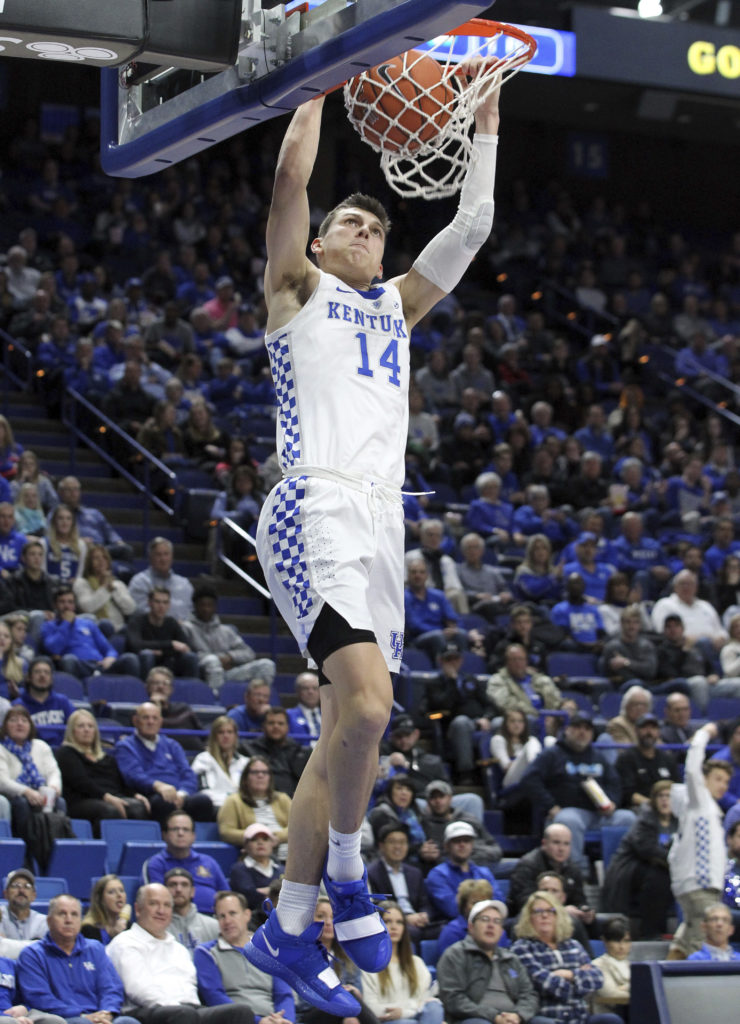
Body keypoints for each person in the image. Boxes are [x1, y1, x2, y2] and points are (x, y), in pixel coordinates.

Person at [243, 79, 502, 1015]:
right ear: (319, 244)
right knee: (367, 703)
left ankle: (288, 926)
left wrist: (485, 128)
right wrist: (314, 87)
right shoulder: (297, 290)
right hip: (312, 503)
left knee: (348, 735)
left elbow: (472, 227)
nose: (363, 230)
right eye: (348, 222)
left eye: (375, 228)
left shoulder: (397, 306)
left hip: (382, 523)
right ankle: (349, 874)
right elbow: (288, 181)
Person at [106, 883, 250, 1024]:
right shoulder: (125, 943)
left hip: (188, 1010)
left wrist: (194, 1010)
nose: (161, 911)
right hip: (145, 1010)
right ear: (138, 909)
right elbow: (139, 990)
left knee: (240, 1012)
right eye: (154, 904)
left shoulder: (178, 948)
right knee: (183, 1014)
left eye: (167, 905)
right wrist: (181, 1008)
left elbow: (190, 988)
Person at [520, 712, 635, 871]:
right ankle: (576, 873)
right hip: (570, 811)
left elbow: (614, 783)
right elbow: (529, 779)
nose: (582, 732)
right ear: (567, 730)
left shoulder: (597, 756)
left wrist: (612, 802)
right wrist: (550, 806)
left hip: (599, 814)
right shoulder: (553, 754)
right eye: (578, 727)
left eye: (587, 729)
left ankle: (619, 871)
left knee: (628, 818)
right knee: (568, 820)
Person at [15, 894, 140, 1024]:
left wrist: (106, 1013)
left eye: (74, 914)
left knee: (127, 1022)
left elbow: (111, 988)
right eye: (62, 914)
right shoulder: (32, 955)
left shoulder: (95, 949)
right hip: (63, 1019)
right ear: (49, 920)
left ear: (80, 920)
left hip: (100, 1017)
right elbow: (39, 999)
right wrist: (82, 1016)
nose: (69, 920)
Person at [667, 723, 733, 958]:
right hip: (699, 885)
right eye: (718, 779)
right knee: (702, 941)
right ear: (704, 780)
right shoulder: (699, 800)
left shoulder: (710, 810)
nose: (722, 786)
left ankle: (668, 970)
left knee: (685, 940)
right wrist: (704, 734)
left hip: (702, 885)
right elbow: (692, 770)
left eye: (726, 782)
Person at [510, 891, 621, 1024]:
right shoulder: (522, 948)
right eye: (538, 911)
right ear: (529, 918)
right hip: (547, 1017)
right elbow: (546, 984)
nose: (545, 915)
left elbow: (597, 978)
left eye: (550, 911)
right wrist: (579, 981)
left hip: (580, 1018)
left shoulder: (573, 945)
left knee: (610, 1020)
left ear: (558, 916)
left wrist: (569, 974)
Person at [193, 891, 294, 1018]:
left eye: (232, 913)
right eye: (221, 916)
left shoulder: (269, 950)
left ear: (247, 915)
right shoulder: (206, 952)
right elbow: (214, 997)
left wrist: (284, 1020)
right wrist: (258, 1021)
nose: (227, 921)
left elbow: (284, 995)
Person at [437, 898, 538, 1024]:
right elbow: (453, 999)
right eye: (485, 919)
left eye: (497, 921)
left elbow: (529, 995)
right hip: (474, 1019)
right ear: (471, 927)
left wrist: (518, 1015)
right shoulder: (455, 955)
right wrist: (494, 1017)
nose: (491, 925)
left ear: (501, 931)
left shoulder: (511, 959)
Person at [600, 780, 678, 939]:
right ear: (654, 800)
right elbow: (646, 849)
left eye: (668, 796)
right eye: (660, 796)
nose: (664, 800)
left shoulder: (679, 821)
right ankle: (650, 932)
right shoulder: (645, 819)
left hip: (664, 868)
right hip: (631, 869)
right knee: (658, 877)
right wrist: (677, 860)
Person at [114, 703, 215, 824]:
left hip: (178, 794)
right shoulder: (125, 746)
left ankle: (195, 836)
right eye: (145, 717)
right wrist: (158, 786)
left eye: (155, 718)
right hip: (150, 794)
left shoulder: (172, 745)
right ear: (135, 721)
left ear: (161, 721)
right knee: (163, 803)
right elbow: (133, 776)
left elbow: (188, 774)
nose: (151, 722)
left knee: (203, 801)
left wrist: (182, 794)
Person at [55, 709, 150, 831]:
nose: (86, 730)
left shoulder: (107, 758)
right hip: (82, 800)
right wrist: (107, 798)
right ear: (72, 731)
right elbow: (82, 783)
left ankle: (136, 843)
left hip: (111, 797)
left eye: (90, 726)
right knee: (110, 811)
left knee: (138, 807)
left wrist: (135, 795)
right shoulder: (66, 753)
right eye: (81, 726)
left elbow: (120, 784)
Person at [415, 642, 496, 785]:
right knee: (461, 722)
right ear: (440, 661)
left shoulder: (470, 680)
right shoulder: (435, 683)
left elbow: (489, 704)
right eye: (448, 659)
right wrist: (452, 682)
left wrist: (487, 718)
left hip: (479, 722)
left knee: (500, 722)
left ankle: (497, 773)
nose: (452, 663)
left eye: (455, 658)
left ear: (461, 660)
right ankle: (466, 773)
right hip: (451, 726)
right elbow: (442, 705)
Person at [359, 902, 443, 1024]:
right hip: (388, 1021)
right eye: (387, 921)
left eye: (399, 922)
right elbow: (371, 1008)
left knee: (435, 1009)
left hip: (418, 1018)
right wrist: (412, 1009)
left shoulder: (417, 963)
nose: (394, 927)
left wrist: (404, 1012)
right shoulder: (368, 966)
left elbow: (427, 1001)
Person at [184, 583, 276, 695]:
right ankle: (216, 700)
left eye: (210, 605)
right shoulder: (186, 628)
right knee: (212, 661)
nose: (206, 609)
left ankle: (261, 698)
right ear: (195, 605)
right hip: (203, 673)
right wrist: (218, 659)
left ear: (215, 607)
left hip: (228, 673)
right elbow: (186, 654)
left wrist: (230, 657)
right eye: (202, 605)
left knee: (267, 665)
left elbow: (249, 653)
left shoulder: (226, 630)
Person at [39, 588, 139, 683]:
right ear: (55, 605)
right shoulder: (49, 626)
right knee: (68, 660)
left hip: (100, 665)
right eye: (62, 602)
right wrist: (66, 623)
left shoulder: (88, 624)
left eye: (70, 602)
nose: (66, 606)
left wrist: (110, 658)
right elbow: (54, 649)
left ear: (74, 605)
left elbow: (109, 649)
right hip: (79, 666)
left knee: (130, 659)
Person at [0, 705, 64, 849]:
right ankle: (26, 850)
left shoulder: (41, 746)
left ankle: (57, 849)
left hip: (40, 793)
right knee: (22, 803)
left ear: (30, 725)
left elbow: (53, 772)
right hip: (13, 795)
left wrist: (53, 787)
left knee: (60, 802)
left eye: (24, 720)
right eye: (13, 720)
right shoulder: (1, 748)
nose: (19, 724)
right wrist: (26, 791)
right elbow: (2, 781)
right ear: (5, 726)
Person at [142, 812, 227, 914]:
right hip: (172, 918)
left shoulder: (209, 862)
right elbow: (155, 899)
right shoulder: (155, 863)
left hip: (212, 919)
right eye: (175, 829)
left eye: (186, 829)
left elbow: (226, 895)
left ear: (193, 836)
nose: (180, 833)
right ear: (164, 835)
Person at [367, 824, 434, 946]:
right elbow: (376, 905)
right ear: (381, 846)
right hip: (392, 922)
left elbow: (425, 902)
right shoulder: (372, 873)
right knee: (412, 933)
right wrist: (404, 918)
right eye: (392, 842)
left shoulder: (415, 872)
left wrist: (424, 915)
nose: (398, 846)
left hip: (416, 920)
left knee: (443, 929)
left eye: (402, 842)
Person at [425, 822, 503, 924]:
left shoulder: (484, 873)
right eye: (457, 841)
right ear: (446, 846)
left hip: (487, 922)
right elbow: (452, 909)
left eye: (466, 841)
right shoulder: (438, 875)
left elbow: (498, 902)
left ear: (472, 845)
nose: (462, 845)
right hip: (454, 926)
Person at [507, 824, 587, 920]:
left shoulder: (573, 868)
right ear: (544, 843)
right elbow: (525, 902)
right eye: (556, 842)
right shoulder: (527, 865)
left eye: (566, 844)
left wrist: (584, 910)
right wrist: (560, 910)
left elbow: (579, 900)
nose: (561, 849)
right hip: (529, 918)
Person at [217, 759, 291, 861]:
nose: (260, 776)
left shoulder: (283, 799)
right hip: (257, 858)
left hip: (291, 857)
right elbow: (226, 832)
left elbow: (298, 827)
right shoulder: (233, 801)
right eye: (255, 772)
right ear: (245, 778)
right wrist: (258, 836)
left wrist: (277, 837)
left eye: (265, 772)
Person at [420, 780, 501, 869]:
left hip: (484, 864)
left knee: (512, 866)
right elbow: (438, 857)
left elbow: (495, 848)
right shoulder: (425, 825)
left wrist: (477, 857)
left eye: (441, 796)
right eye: (433, 797)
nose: (438, 801)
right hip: (454, 869)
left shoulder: (469, 818)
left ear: (450, 798)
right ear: (427, 802)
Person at [125, 587, 199, 679]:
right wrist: (170, 644)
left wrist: (163, 652)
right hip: (144, 663)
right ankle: (144, 686)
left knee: (191, 657)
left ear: (169, 605)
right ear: (149, 603)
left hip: (168, 662)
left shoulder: (171, 622)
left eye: (165, 602)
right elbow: (135, 645)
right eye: (157, 602)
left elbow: (186, 646)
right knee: (147, 654)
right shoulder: (137, 621)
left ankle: (192, 687)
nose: (161, 606)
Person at [615, 712, 680, 809]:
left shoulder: (668, 758)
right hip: (638, 807)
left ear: (658, 732)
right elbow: (627, 793)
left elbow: (676, 787)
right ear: (636, 731)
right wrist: (653, 805)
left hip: (666, 806)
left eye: (653, 728)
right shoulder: (626, 758)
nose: (649, 732)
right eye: (644, 728)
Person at [244, 706, 310, 798]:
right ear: (263, 726)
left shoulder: (299, 752)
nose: (276, 726)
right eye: (271, 723)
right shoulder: (249, 749)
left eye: (280, 723)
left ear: (288, 727)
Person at [486, 644, 562, 718]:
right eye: (513, 659)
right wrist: (539, 716)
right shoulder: (498, 680)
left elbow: (556, 700)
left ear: (526, 661)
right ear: (506, 662)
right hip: (522, 719)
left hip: (548, 717)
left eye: (521, 659)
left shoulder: (540, 678)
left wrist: (562, 706)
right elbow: (507, 705)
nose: (518, 663)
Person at [72, 545, 136, 633]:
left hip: (118, 629)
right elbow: (87, 607)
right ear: (89, 562)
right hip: (93, 630)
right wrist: (105, 588)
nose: (101, 560)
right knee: (105, 625)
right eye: (96, 558)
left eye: (104, 557)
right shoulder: (82, 583)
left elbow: (130, 609)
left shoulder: (117, 584)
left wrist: (113, 589)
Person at [128, 538, 194, 621]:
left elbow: (192, 613)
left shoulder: (185, 584)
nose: (163, 559)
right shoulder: (139, 582)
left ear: (172, 556)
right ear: (150, 557)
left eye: (166, 554)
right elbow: (138, 613)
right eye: (158, 554)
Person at [191, 718, 248, 810]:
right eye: (221, 732)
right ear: (214, 736)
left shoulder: (245, 762)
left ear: (235, 736)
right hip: (215, 807)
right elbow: (204, 792)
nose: (226, 736)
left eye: (230, 732)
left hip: (241, 807)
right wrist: (230, 801)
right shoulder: (203, 759)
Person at [228, 824, 285, 912]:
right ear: (245, 846)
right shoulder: (239, 869)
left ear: (272, 844)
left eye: (265, 839)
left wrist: (265, 891)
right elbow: (249, 896)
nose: (260, 843)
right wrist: (276, 891)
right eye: (254, 839)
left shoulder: (282, 869)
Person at [163, 868, 219, 954]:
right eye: (173, 885)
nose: (178, 889)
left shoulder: (214, 926)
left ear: (192, 891)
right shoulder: (159, 927)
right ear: (165, 890)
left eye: (184, 885)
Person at [590, 917, 631, 1017]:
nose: (622, 947)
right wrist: (632, 988)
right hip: (608, 1017)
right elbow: (611, 995)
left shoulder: (632, 965)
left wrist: (624, 988)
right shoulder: (597, 966)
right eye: (616, 941)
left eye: (626, 941)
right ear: (605, 941)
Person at [81, 875, 132, 946]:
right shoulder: (89, 929)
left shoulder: (127, 926)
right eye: (111, 892)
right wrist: (113, 936)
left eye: (121, 890)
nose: (119, 895)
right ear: (100, 899)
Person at [42, 505, 86, 583]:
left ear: (73, 523)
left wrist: (75, 582)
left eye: (68, 518)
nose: (64, 522)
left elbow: (80, 575)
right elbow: (42, 573)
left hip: (73, 588)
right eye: (60, 518)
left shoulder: (81, 545)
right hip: (49, 587)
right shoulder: (44, 543)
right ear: (54, 522)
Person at [0, 870, 47, 941]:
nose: (21, 890)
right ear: (6, 894)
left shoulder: (42, 922)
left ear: (34, 895)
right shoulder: (0, 916)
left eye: (27, 886)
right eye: (15, 885)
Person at [285, 672, 322, 741]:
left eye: (315, 688)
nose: (310, 692)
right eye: (305, 688)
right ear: (298, 691)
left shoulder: (329, 716)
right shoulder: (288, 715)